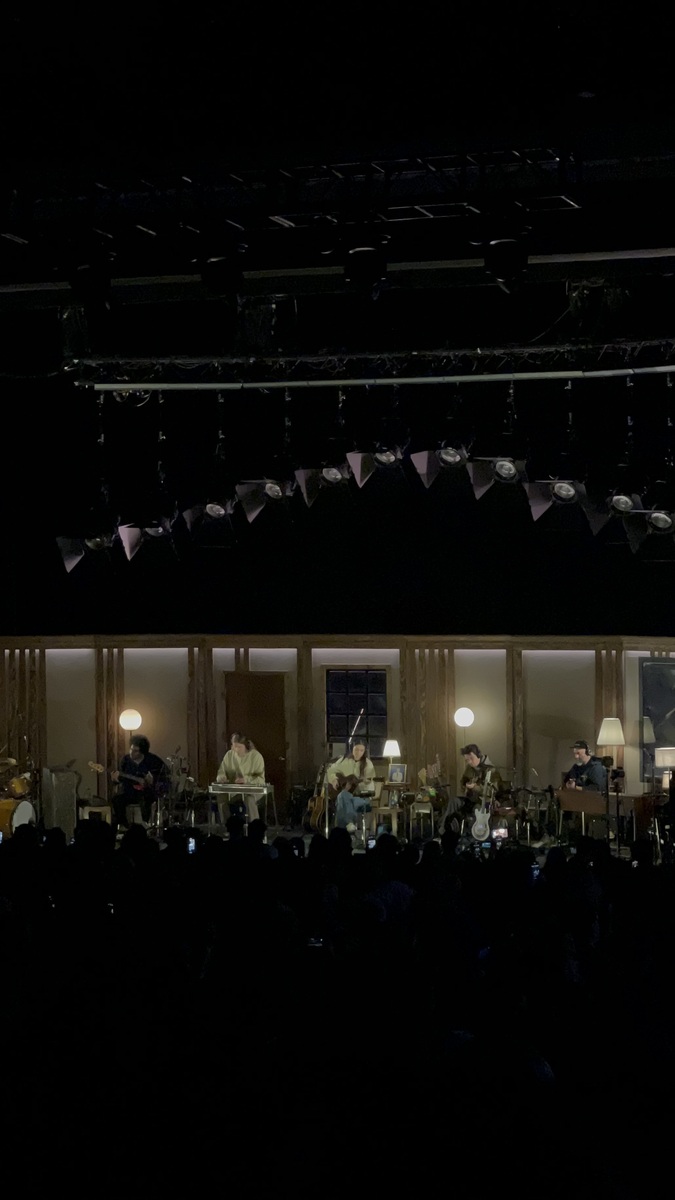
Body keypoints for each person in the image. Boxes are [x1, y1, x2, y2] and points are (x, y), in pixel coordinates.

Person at [440, 743, 503, 832]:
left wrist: (475, 787)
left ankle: (475, 834)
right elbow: (463, 781)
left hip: (483, 802)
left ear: (478, 756)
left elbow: (492, 791)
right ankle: (443, 831)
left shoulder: (491, 770)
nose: (469, 762)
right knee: (454, 802)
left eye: (471, 759)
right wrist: (465, 785)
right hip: (470, 799)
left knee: (477, 810)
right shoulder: (469, 768)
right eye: (467, 760)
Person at [111, 734, 168, 829]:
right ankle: (124, 825)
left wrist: (152, 779)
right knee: (117, 800)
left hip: (148, 793)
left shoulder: (153, 760)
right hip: (130, 792)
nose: (131, 753)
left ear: (143, 752)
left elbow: (165, 774)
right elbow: (120, 778)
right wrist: (115, 779)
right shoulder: (125, 760)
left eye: (135, 751)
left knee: (145, 799)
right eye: (131, 749)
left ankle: (147, 825)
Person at [216, 732, 266, 822]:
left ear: (245, 746)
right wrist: (221, 777)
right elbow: (221, 771)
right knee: (221, 797)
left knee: (249, 799)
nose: (236, 749)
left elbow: (261, 779)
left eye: (239, 747)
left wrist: (246, 780)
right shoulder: (229, 755)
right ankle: (228, 827)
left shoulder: (256, 756)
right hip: (236, 791)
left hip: (253, 790)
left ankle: (254, 828)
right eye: (234, 746)